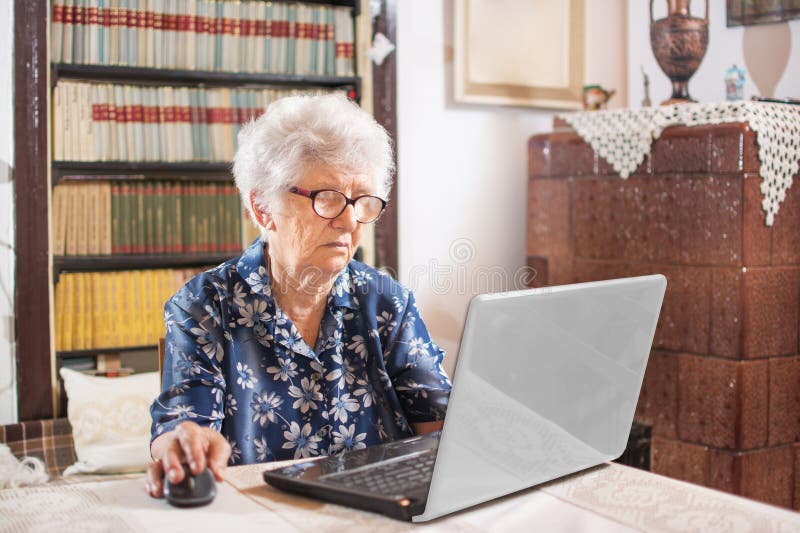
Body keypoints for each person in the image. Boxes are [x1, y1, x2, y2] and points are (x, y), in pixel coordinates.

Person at [146, 94, 452, 498]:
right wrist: (181, 448)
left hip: (378, 516)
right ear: (262, 207)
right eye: (326, 198)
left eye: (362, 201)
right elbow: (183, 425)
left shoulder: (386, 301)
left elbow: (441, 425)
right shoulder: (204, 306)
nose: (348, 221)